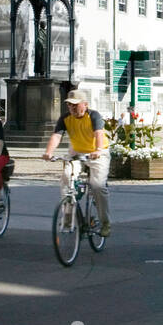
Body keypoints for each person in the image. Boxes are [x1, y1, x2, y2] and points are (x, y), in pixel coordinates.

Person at [43, 91, 112, 236]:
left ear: (85, 105)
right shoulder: (65, 118)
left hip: (97, 153)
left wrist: (98, 150)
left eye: (75, 105)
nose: (72, 108)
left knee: (98, 186)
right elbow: (56, 136)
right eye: (69, 105)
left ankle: (105, 224)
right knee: (66, 178)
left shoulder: (93, 115)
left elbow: (98, 133)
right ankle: (68, 218)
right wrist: (49, 152)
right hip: (77, 153)